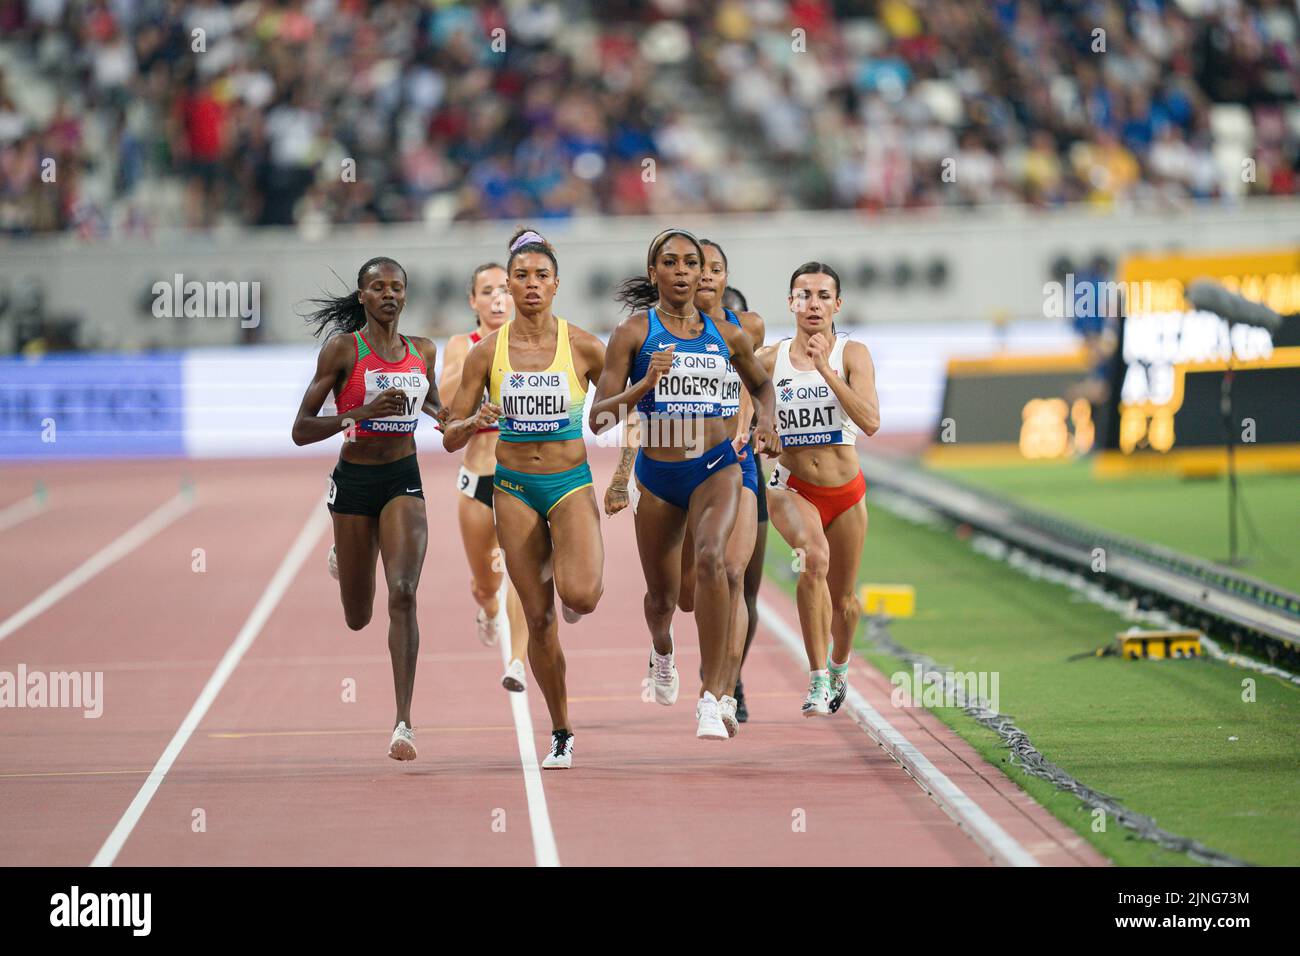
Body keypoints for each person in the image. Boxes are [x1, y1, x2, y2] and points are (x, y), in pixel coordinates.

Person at [590, 228, 777, 740]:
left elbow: (761, 384)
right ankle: (662, 649)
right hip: (658, 473)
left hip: (717, 467)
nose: (680, 271)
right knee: (663, 597)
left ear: (701, 272)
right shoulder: (633, 332)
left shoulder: (728, 334)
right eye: (669, 263)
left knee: (715, 561)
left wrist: (767, 421)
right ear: (654, 273)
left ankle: (714, 696)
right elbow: (598, 420)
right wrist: (646, 384)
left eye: (690, 263)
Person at [442, 228, 606, 769]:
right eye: (521, 277)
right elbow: (449, 435)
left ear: (556, 284)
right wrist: (473, 420)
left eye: (541, 276)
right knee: (537, 621)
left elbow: (619, 413)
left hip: (569, 483)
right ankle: (561, 729)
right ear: (507, 287)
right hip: (512, 488)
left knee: (580, 597)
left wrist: (628, 470)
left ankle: (568, 560)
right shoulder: (485, 353)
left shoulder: (583, 345)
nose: (531, 285)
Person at [291, 257, 443, 760]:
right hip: (354, 484)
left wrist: (458, 421)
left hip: (403, 479)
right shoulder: (342, 350)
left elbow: (435, 407)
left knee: (402, 592)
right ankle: (345, 552)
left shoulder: (422, 350)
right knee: (358, 616)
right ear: (362, 296)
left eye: (396, 287)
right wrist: (357, 413)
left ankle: (404, 722)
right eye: (377, 287)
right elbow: (300, 429)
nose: (388, 295)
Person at [756, 263, 880, 716]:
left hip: (846, 492)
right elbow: (750, 423)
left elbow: (869, 421)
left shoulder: (853, 354)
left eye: (823, 295)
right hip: (793, 487)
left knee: (845, 602)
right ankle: (816, 678)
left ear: (837, 305)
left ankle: (839, 664)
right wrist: (760, 433)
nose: (813, 304)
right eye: (804, 295)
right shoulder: (769, 359)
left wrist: (826, 370)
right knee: (814, 560)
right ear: (790, 303)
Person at [438, 263, 528, 691]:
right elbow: (446, 397)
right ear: (473, 301)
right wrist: (487, 352)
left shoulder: (531, 344)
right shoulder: (462, 345)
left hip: (522, 479)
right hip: (477, 484)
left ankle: (516, 663)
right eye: (487, 290)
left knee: (523, 574)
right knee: (485, 584)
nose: (497, 297)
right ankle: (489, 610)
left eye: (504, 289)